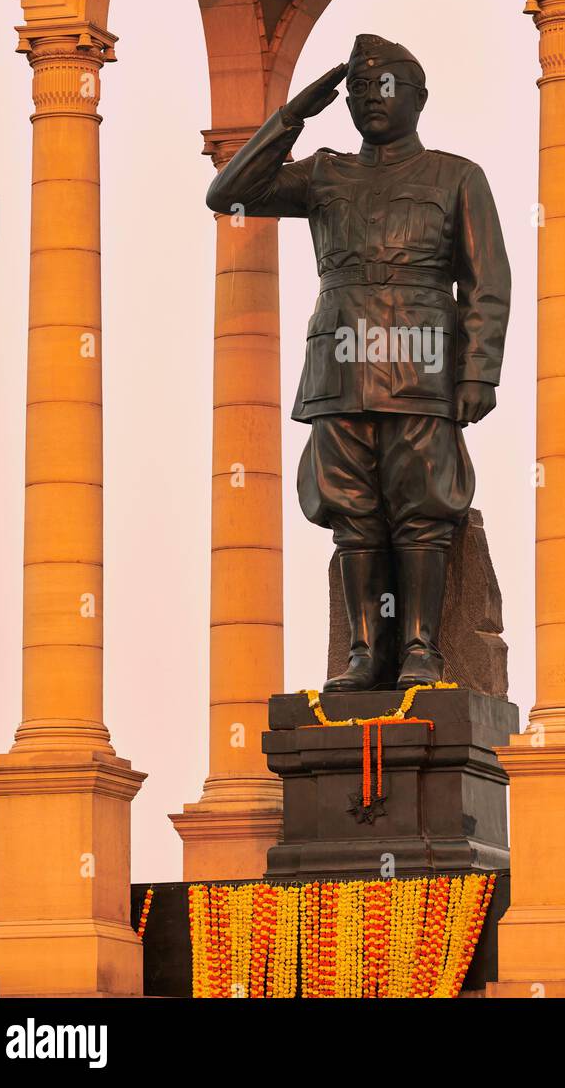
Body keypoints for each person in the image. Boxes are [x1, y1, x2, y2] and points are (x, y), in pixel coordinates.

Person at [206, 35, 511, 690]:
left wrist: (478, 371)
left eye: (385, 87)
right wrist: (291, 117)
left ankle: (424, 649)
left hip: (420, 370)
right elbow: (228, 194)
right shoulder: (324, 173)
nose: (369, 99)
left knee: (421, 511)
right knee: (352, 515)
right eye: (356, 92)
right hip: (339, 370)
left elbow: (487, 283)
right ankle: (366, 653)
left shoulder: (457, 176)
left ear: (418, 98)